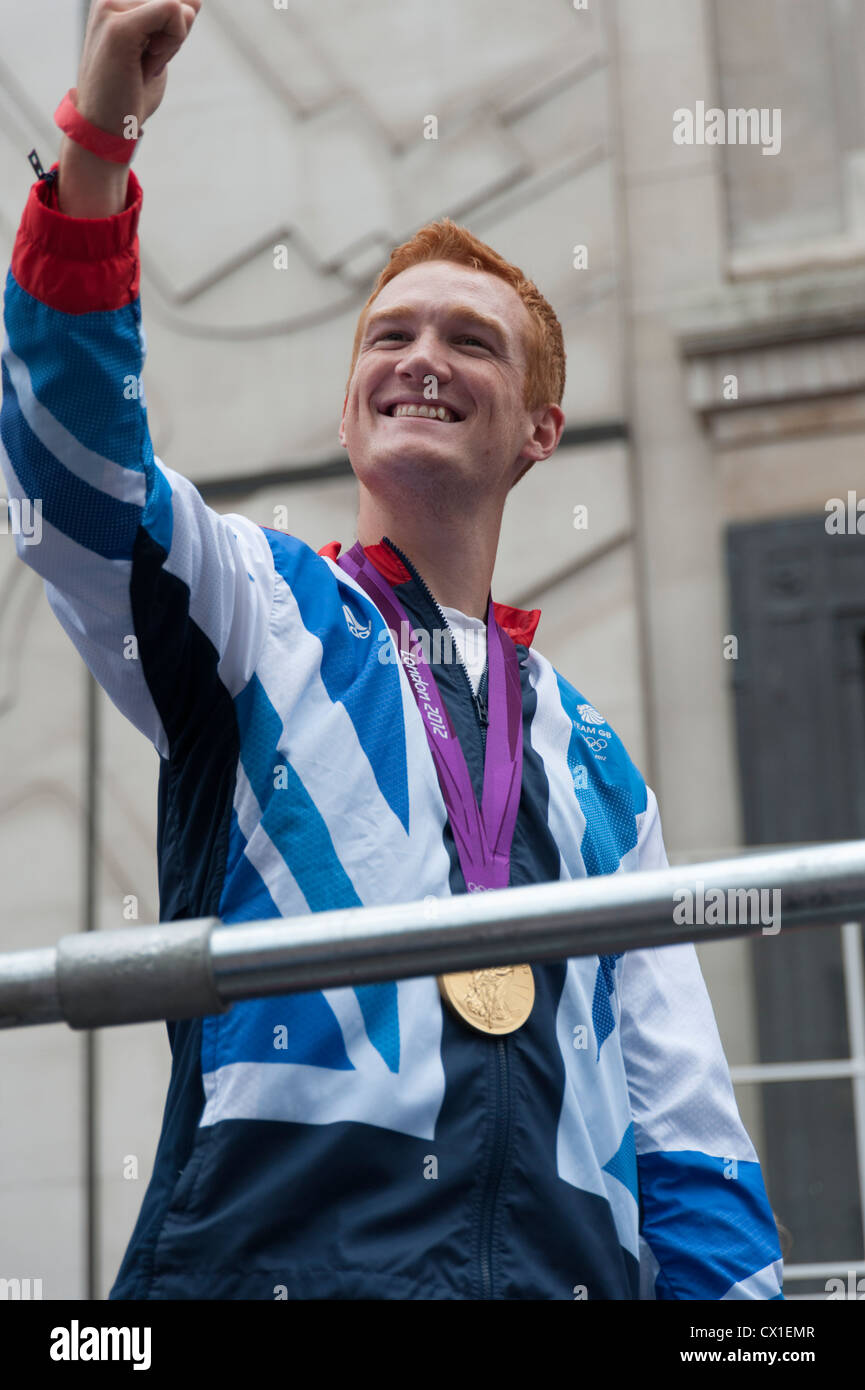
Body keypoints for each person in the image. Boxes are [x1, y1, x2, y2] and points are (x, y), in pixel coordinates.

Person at [0, 0, 784, 1300]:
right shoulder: (259, 606)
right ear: (350, 401)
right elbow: (72, 466)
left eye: (468, 340)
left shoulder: (594, 764)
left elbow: (687, 1138)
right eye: (389, 335)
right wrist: (100, 135)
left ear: (542, 430)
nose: (421, 357)